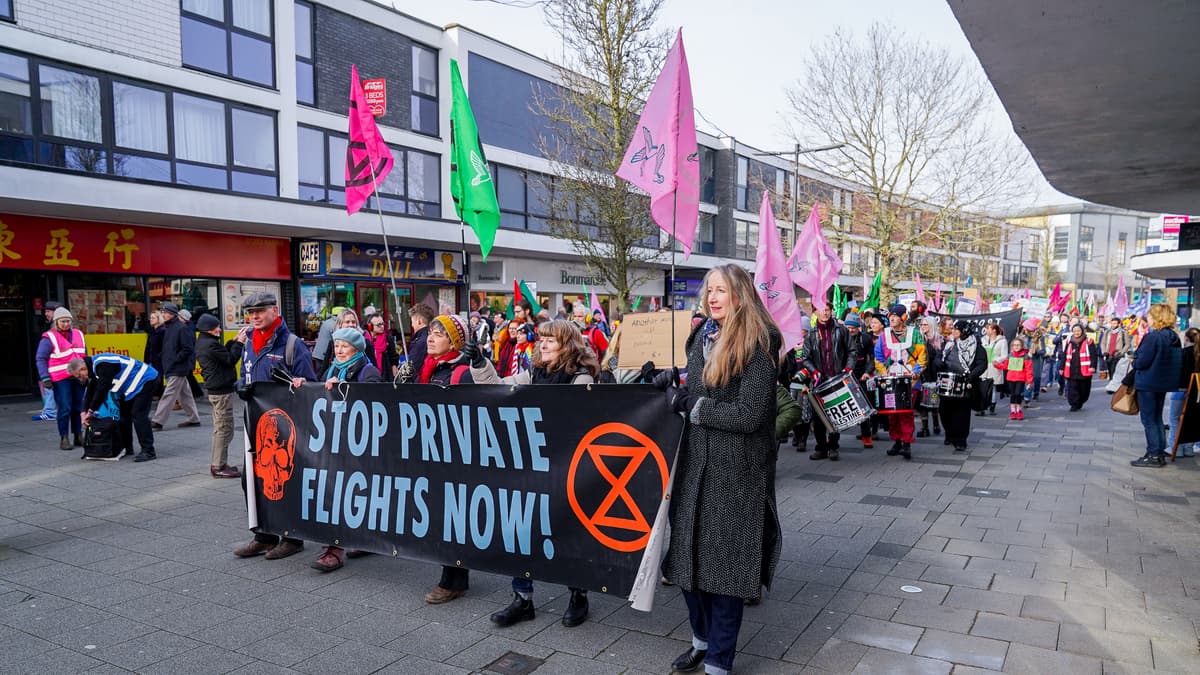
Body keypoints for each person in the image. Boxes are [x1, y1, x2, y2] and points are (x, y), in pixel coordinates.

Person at [654, 264, 780, 675]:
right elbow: (696, 386)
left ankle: (719, 661)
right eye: (709, 290)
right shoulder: (700, 336)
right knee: (686, 564)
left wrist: (696, 406)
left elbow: (748, 415)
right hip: (694, 465)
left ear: (740, 295)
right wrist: (670, 381)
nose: (712, 297)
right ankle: (701, 641)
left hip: (735, 472)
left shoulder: (759, 344)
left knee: (726, 573)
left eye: (720, 290)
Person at [465, 319, 598, 629]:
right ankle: (522, 599)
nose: (544, 344)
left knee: (568, 531)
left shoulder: (581, 379)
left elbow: (582, 425)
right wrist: (479, 362)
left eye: (552, 340)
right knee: (522, 529)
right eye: (543, 339)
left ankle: (578, 594)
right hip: (530, 467)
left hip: (563, 469)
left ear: (569, 345)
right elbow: (498, 387)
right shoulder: (533, 373)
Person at [232, 292, 317, 561]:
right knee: (251, 479)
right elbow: (245, 376)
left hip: (284, 430)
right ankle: (264, 535)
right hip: (254, 425)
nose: (254, 316)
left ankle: (292, 537)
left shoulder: (292, 345)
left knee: (285, 479)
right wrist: (241, 388)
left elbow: (309, 386)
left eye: (260, 311)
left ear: (275, 310)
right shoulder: (249, 343)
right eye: (250, 312)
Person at [292, 326, 382, 572]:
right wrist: (304, 385)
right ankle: (334, 547)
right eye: (338, 346)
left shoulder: (368, 370)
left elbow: (377, 404)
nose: (340, 351)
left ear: (357, 349)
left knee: (355, 494)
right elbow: (317, 389)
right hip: (333, 442)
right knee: (332, 493)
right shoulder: (332, 368)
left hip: (358, 445)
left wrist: (344, 387)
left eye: (345, 346)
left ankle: (353, 543)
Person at [418, 315, 476, 604]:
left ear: (454, 342)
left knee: (454, 516)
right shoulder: (428, 369)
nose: (430, 338)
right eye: (430, 332)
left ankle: (452, 579)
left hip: (455, 455)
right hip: (432, 452)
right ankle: (454, 576)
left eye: (439, 334)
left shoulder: (461, 373)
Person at [70, 354, 159, 461]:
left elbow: (102, 390)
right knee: (124, 415)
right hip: (132, 386)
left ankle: (148, 451)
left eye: (79, 376)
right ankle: (127, 447)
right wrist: (83, 412)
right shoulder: (93, 367)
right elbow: (91, 388)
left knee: (139, 415)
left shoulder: (102, 364)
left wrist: (91, 410)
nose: (80, 379)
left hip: (146, 379)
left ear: (83, 369)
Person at [796, 303, 854, 461]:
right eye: (821, 310)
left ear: (831, 311)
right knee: (818, 416)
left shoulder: (841, 330)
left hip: (837, 378)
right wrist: (814, 371)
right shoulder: (812, 334)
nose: (825, 313)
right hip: (818, 381)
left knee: (835, 414)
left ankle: (833, 446)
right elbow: (805, 358)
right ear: (815, 312)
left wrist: (848, 368)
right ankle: (821, 447)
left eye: (827, 310)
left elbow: (851, 351)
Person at [1130, 304, 1183, 467]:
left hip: (1148, 382)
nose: (1148, 319)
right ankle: (1158, 452)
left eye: (1151, 316)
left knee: (1149, 420)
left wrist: (1134, 360)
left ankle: (1153, 455)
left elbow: (1142, 361)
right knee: (1157, 418)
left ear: (1158, 317)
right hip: (1163, 382)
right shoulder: (1173, 337)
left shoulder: (1153, 337)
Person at [874, 305, 926, 460]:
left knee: (906, 412)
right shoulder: (884, 335)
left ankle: (906, 443)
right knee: (892, 414)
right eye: (890, 316)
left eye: (896, 316)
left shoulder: (914, 333)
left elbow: (922, 356)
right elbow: (878, 357)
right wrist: (884, 373)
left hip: (910, 380)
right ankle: (896, 441)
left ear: (903, 317)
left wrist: (915, 372)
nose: (892, 318)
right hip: (890, 380)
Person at [195, 314, 242, 478]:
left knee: (221, 428)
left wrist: (233, 341)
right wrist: (240, 344)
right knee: (224, 429)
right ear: (209, 328)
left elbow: (222, 354)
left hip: (217, 390)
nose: (219, 329)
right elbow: (230, 359)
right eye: (216, 327)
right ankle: (218, 466)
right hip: (221, 392)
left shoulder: (205, 342)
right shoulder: (210, 345)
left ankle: (220, 462)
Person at [36, 306, 88, 450]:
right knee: (65, 407)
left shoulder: (79, 334)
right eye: (63, 321)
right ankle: (64, 437)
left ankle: (78, 435)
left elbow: (85, 355)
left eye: (68, 321)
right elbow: (40, 358)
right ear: (56, 322)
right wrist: (45, 378)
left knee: (78, 407)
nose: (66, 324)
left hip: (78, 377)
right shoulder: (49, 337)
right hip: (60, 378)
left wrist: (87, 374)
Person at [151, 303, 201, 431]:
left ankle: (158, 421)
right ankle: (194, 419)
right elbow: (170, 347)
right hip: (172, 366)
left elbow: (187, 348)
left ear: (172, 314)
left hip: (177, 368)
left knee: (168, 394)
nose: (162, 314)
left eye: (165, 312)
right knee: (185, 395)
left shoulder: (181, 327)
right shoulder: (168, 327)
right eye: (162, 312)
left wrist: (174, 360)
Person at [938, 321, 986, 452]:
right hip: (947, 382)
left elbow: (982, 364)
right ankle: (950, 432)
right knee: (944, 411)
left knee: (961, 413)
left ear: (964, 331)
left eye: (956, 329)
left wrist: (970, 376)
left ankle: (960, 440)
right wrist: (938, 363)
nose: (953, 331)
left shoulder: (976, 346)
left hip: (965, 384)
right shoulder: (949, 345)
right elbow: (939, 357)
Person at [845, 314, 875, 448]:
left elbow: (873, 358)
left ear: (858, 327)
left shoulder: (865, 339)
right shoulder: (842, 337)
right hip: (845, 375)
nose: (850, 330)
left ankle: (867, 435)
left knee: (864, 407)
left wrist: (867, 372)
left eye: (853, 328)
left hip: (861, 375)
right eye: (848, 327)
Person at [1168, 327, 1199, 458]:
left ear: (1186, 338)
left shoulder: (1183, 353)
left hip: (1180, 389)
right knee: (1191, 418)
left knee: (1174, 419)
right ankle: (1188, 448)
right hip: (1196, 392)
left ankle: (1175, 447)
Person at [1062, 323, 1099, 412]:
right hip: (1071, 370)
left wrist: (1093, 366)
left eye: (1078, 331)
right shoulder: (1068, 341)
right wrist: (1061, 367)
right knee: (1072, 388)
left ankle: (1081, 401)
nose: (1077, 333)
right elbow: (1064, 355)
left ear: (1082, 331)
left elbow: (1093, 355)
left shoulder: (1089, 341)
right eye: (1074, 331)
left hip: (1085, 370)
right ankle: (1074, 404)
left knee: (1084, 389)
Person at [916, 317, 942, 438]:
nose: (923, 326)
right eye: (922, 324)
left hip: (934, 374)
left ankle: (936, 424)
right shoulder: (919, 339)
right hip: (922, 374)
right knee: (922, 402)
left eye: (925, 324)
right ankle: (925, 428)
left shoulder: (939, 340)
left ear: (931, 325)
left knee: (934, 400)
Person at [980, 323, 1008, 416]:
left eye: (988, 329)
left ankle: (992, 407)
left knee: (993, 387)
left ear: (994, 330)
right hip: (983, 366)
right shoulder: (983, 339)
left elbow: (1005, 355)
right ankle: (982, 408)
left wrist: (997, 360)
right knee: (982, 387)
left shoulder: (1002, 341)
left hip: (994, 366)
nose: (986, 331)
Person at [1005, 336, 1034, 421]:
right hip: (1011, 378)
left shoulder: (1025, 356)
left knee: (1018, 394)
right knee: (1013, 394)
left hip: (1020, 378)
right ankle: (1013, 411)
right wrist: (996, 364)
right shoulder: (1010, 356)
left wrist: (1029, 381)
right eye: (1014, 345)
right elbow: (1005, 366)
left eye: (1018, 345)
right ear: (1012, 347)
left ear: (1022, 346)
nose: (1016, 347)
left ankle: (1019, 410)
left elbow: (1029, 369)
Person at [311, 304, 344, 375]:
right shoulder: (335, 324)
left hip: (317, 353)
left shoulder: (327, 322)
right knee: (323, 375)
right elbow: (338, 340)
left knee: (319, 374)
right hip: (324, 356)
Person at [365, 312, 399, 379]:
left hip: (386, 376)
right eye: (378, 325)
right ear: (370, 326)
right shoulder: (365, 340)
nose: (382, 327)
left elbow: (393, 359)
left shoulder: (388, 339)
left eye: (383, 324)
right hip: (370, 375)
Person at [144, 310, 166, 401]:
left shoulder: (163, 331)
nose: (151, 320)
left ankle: (158, 393)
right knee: (153, 376)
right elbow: (148, 346)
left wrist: (160, 356)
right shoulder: (152, 331)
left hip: (159, 358)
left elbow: (164, 346)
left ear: (159, 319)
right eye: (150, 318)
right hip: (151, 358)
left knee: (159, 376)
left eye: (153, 318)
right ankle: (156, 392)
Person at [406, 303, 434, 373]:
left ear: (419, 321)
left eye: (412, 322)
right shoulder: (433, 337)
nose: (412, 325)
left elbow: (413, 368)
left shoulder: (420, 342)